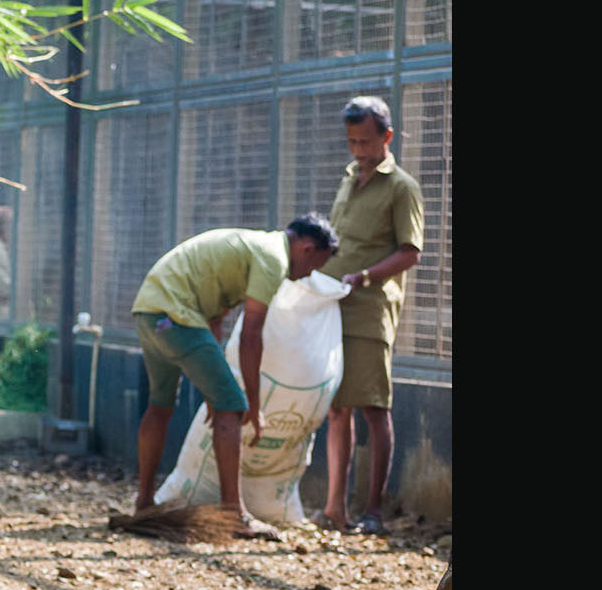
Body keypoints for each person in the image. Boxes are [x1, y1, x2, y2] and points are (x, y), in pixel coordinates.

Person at [131, 215, 341, 536]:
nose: (305, 276)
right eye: (312, 267)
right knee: (232, 405)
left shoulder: (255, 246)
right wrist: (252, 403)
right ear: (308, 248)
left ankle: (144, 502)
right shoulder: (273, 258)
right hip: (177, 315)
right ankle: (235, 515)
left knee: (160, 405)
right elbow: (251, 334)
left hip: (150, 311)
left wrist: (213, 386)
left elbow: (216, 321)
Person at [315, 96, 424, 536]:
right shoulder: (348, 178)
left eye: (365, 141)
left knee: (374, 408)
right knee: (337, 410)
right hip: (332, 307)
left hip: (372, 311)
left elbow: (410, 252)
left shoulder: (401, 186)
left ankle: (373, 511)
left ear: (387, 137)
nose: (358, 151)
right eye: (352, 142)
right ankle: (334, 508)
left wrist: (365, 277)